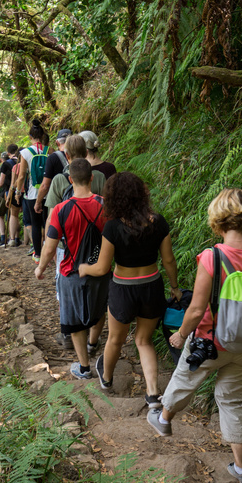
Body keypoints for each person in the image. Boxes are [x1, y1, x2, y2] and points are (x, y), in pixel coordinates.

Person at [146, 188, 242, 483]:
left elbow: (197, 308)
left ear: (217, 221)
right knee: (234, 400)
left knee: (186, 376)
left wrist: (181, 334)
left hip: (210, 341)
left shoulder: (212, 257)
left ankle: (164, 418)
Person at [79, 171, 181, 403]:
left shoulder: (113, 227)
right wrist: (174, 286)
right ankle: (153, 393)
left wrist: (85, 268)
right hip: (151, 286)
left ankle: (106, 379)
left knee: (116, 339)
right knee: (143, 340)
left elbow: (103, 267)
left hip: (123, 289)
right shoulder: (158, 221)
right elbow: (168, 260)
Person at [35, 158, 110, 379]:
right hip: (101, 269)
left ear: (70, 180)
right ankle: (93, 343)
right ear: (92, 178)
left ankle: (84, 366)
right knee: (99, 309)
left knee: (76, 319)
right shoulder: (106, 205)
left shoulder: (60, 209)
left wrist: (40, 269)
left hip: (70, 271)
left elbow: (49, 249)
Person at [14, 120, 48, 263]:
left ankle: (38, 254)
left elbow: (22, 175)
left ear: (30, 136)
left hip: (32, 193)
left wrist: (17, 192)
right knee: (48, 222)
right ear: (42, 135)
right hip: (48, 192)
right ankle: (49, 251)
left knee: (35, 223)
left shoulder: (25, 152)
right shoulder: (49, 151)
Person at [45, 134, 106, 211]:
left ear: (66, 155)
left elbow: (52, 214)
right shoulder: (99, 177)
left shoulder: (58, 180)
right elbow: (106, 206)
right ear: (86, 153)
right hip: (94, 221)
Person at [33, 128, 71, 216]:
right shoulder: (80, 155)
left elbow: (45, 185)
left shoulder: (53, 158)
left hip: (57, 202)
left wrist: (38, 202)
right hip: (77, 200)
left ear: (57, 143)